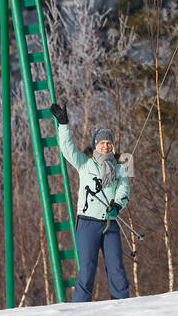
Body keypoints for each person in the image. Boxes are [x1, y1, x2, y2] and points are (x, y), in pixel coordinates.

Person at [48, 101, 130, 302]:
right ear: (96, 146)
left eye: (109, 143)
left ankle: (122, 304)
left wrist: (117, 205)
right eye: (102, 143)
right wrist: (63, 124)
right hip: (88, 223)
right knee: (87, 268)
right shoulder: (85, 164)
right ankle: (79, 307)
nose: (106, 146)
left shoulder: (120, 167)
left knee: (116, 267)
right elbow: (67, 149)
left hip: (110, 223)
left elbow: (124, 189)